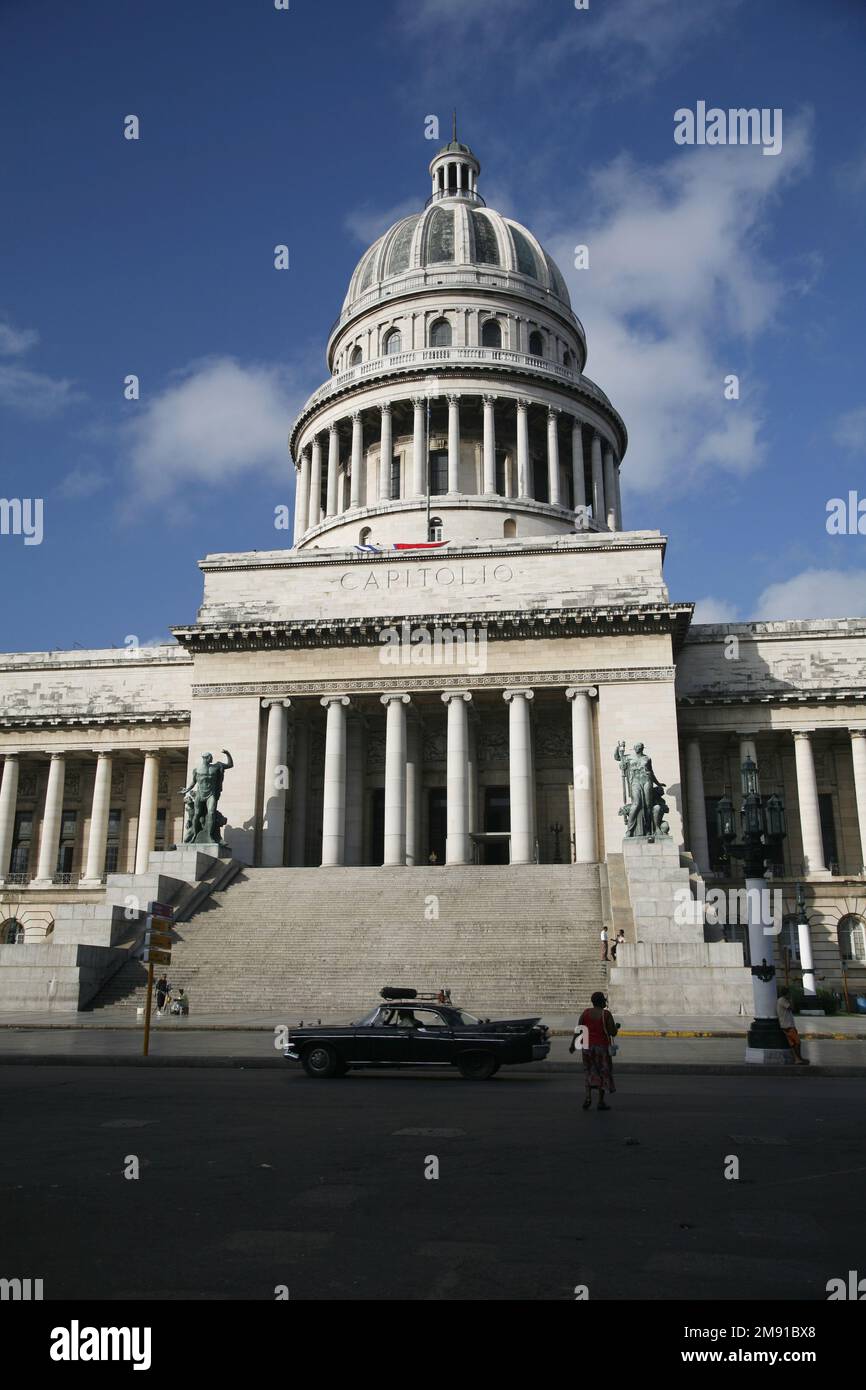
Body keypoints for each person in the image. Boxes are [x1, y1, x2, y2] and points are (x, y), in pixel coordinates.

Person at [568, 991, 619, 1110]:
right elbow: (612, 1032)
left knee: (589, 1072)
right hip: (601, 1047)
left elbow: (579, 1030)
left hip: (587, 1047)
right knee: (602, 1073)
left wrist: (572, 1045)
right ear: (602, 1001)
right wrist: (616, 1027)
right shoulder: (606, 1014)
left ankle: (588, 1097)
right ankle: (600, 1101)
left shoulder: (585, 1013)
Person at [777, 987, 809, 1064]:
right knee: (797, 1042)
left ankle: (797, 1059)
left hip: (786, 1025)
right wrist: (791, 999)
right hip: (788, 1025)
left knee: (792, 1044)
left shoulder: (781, 1000)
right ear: (786, 993)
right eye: (789, 993)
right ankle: (798, 1058)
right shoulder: (782, 1000)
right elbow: (792, 1007)